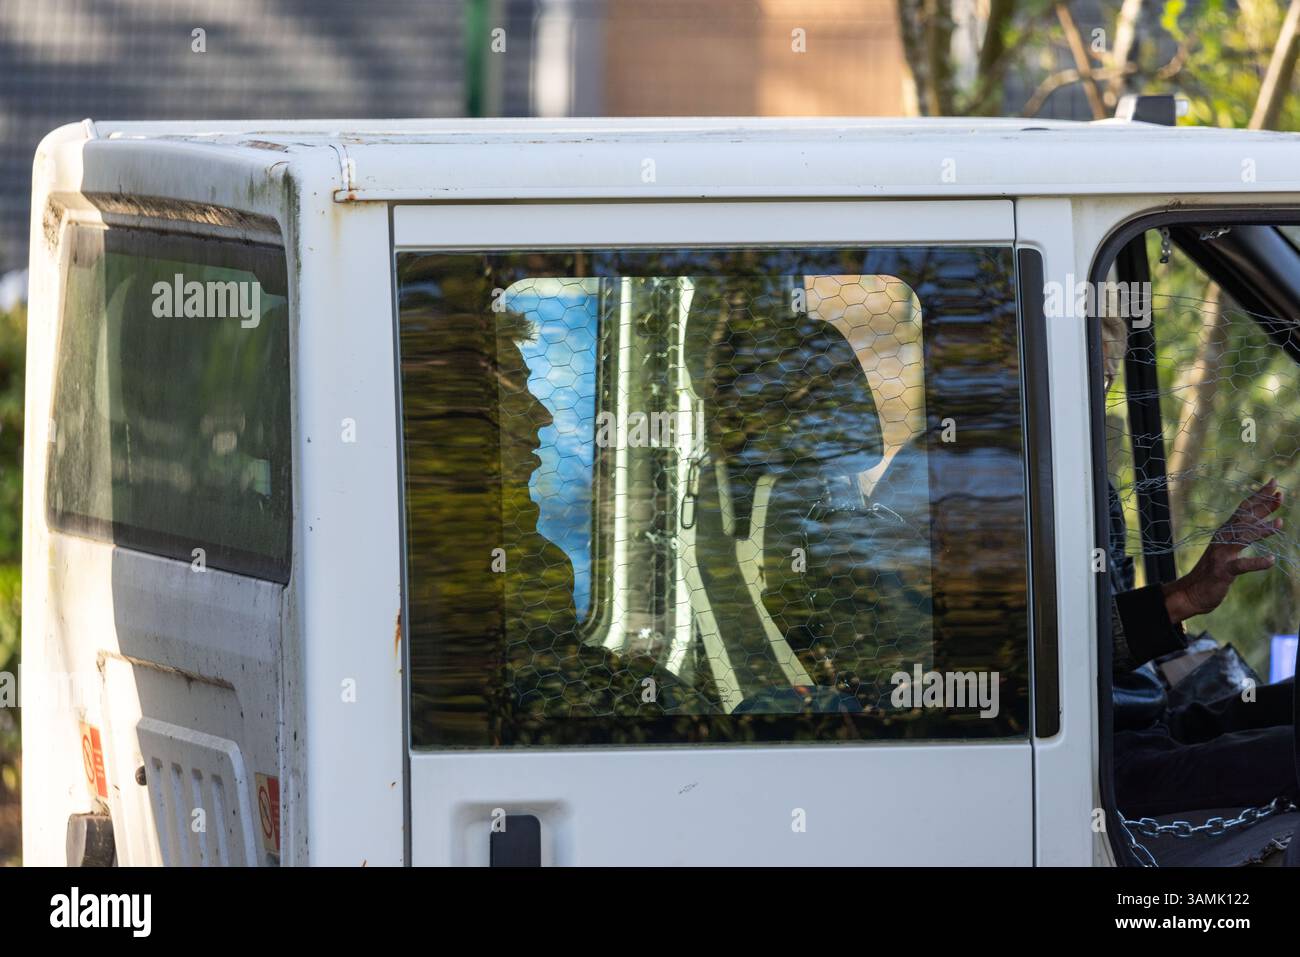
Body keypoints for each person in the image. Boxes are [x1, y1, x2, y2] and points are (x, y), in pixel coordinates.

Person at [1102, 312, 1297, 817]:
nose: (1098, 391)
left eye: (1105, 377)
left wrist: (1186, 597)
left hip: (1148, 721)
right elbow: (1040, 658)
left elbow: (1107, 634)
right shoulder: (977, 490)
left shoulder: (1084, 485)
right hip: (1100, 762)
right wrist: (1181, 599)